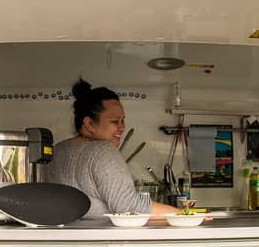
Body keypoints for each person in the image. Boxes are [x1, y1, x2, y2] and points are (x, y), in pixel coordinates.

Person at [49, 79, 177, 219]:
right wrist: (181, 214)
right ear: (90, 124)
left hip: (62, 237)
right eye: (115, 121)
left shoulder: (57, 150)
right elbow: (129, 207)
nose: (122, 127)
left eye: (122, 120)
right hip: (101, 238)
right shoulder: (103, 151)